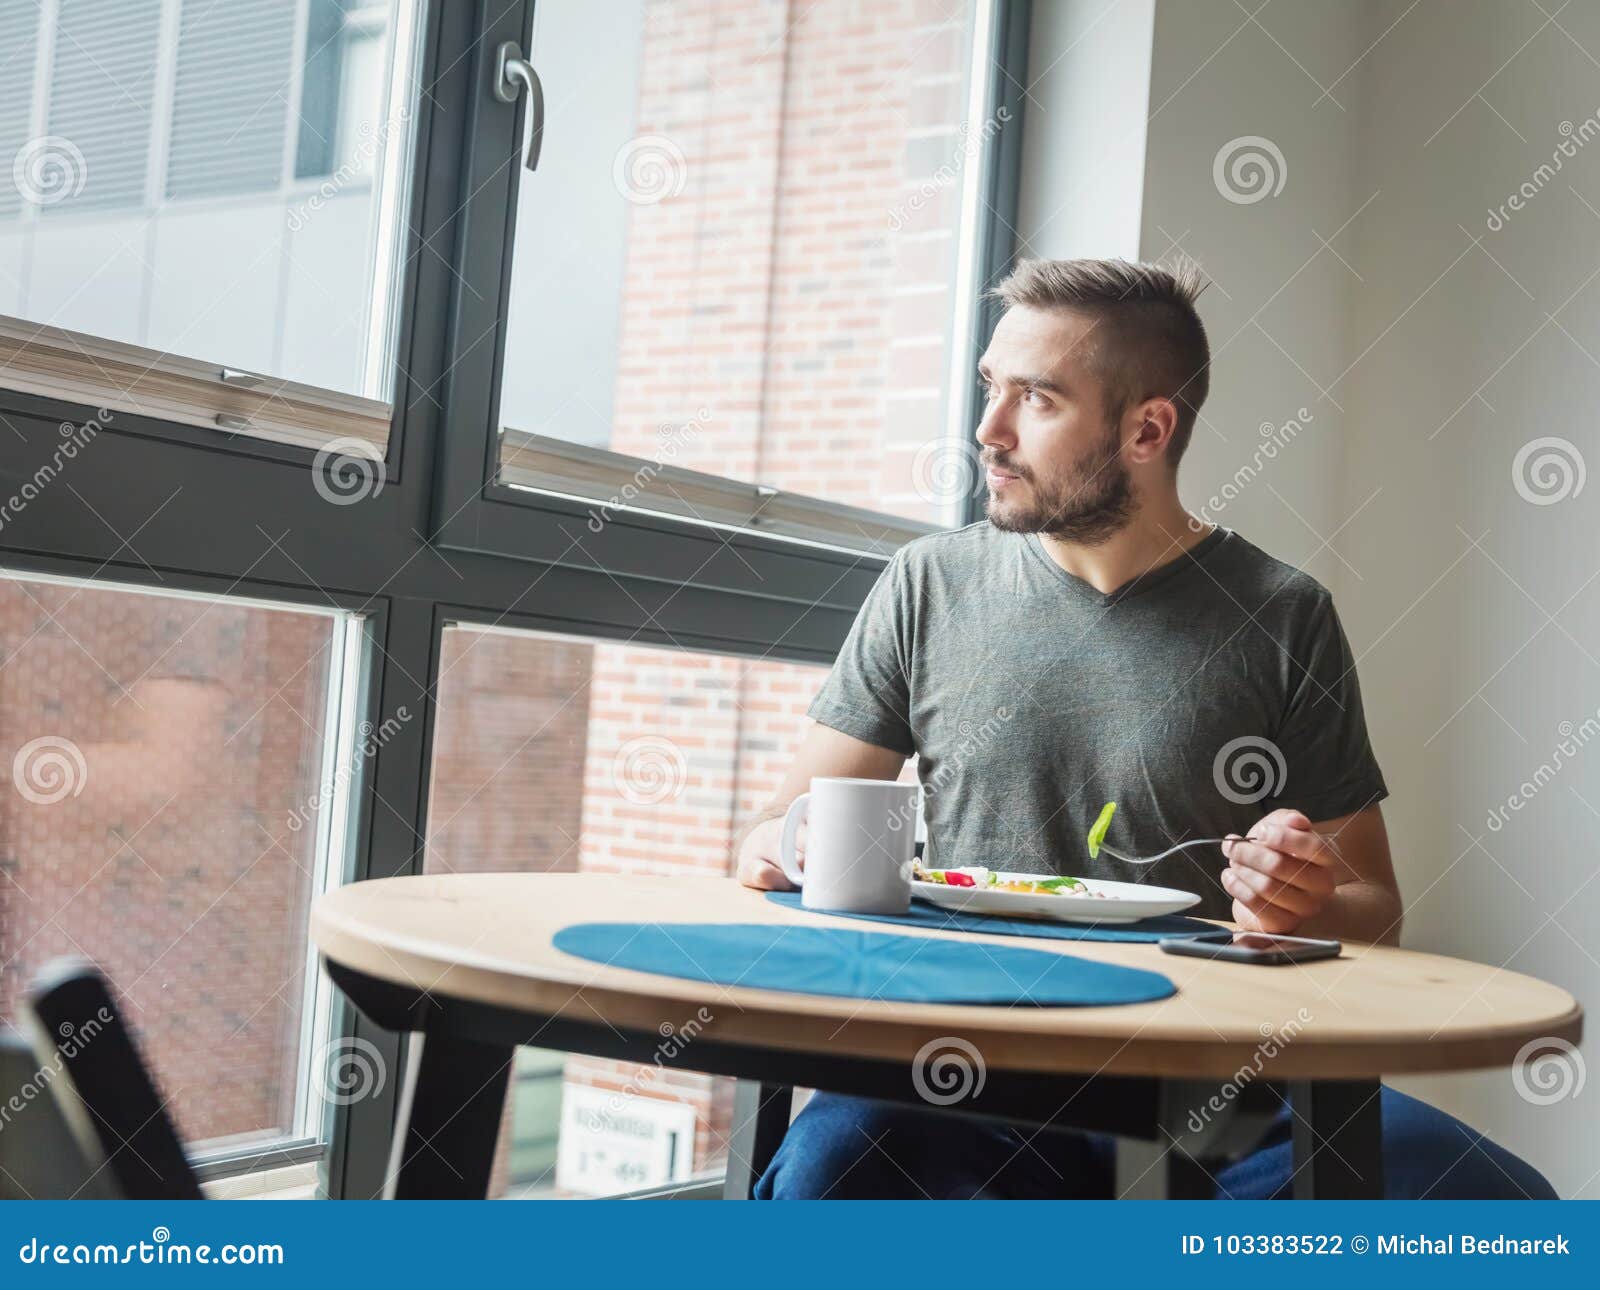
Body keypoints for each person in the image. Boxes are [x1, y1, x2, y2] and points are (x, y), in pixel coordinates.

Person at [733, 257, 1557, 1201]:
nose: (987, 433)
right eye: (990, 389)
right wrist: (773, 848)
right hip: (962, 1069)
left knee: (1483, 1197)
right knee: (841, 1170)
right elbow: (786, 830)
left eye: (1035, 400)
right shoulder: (928, 586)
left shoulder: (1282, 615)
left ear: (1147, 428)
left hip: (1214, 1099)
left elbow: (1377, 910)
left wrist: (1300, 901)